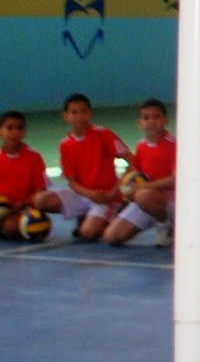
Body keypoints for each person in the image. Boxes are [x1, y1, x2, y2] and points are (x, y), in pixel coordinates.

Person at [32, 93, 134, 242]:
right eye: (74, 112)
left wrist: (114, 192)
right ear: (65, 116)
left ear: (90, 113)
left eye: (83, 111)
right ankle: (87, 214)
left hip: (106, 197)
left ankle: (117, 209)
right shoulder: (65, 144)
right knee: (40, 200)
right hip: (84, 195)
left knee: (88, 233)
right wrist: (89, 194)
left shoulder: (104, 135)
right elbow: (72, 182)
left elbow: (132, 161)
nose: (79, 116)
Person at [104, 98, 178, 247]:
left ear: (166, 120)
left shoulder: (175, 144)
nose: (151, 121)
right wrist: (126, 190)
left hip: (173, 200)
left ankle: (167, 226)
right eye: (146, 118)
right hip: (146, 199)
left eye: (156, 117)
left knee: (143, 195)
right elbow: (134, 174)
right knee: (111, 236)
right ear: (140, 123)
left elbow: (177, 179)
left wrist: (145, 187)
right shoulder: (141, 146)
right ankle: (155, 217)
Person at [0, 111, 48, 240]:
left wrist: (24, 203)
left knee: (11, 227)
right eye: (9, 128)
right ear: (1, 131)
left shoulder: (34, 157)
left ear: (24, 132)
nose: (14, 132)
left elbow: (41, 190)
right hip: (3, 206)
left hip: (24, 208)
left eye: (19, 128)